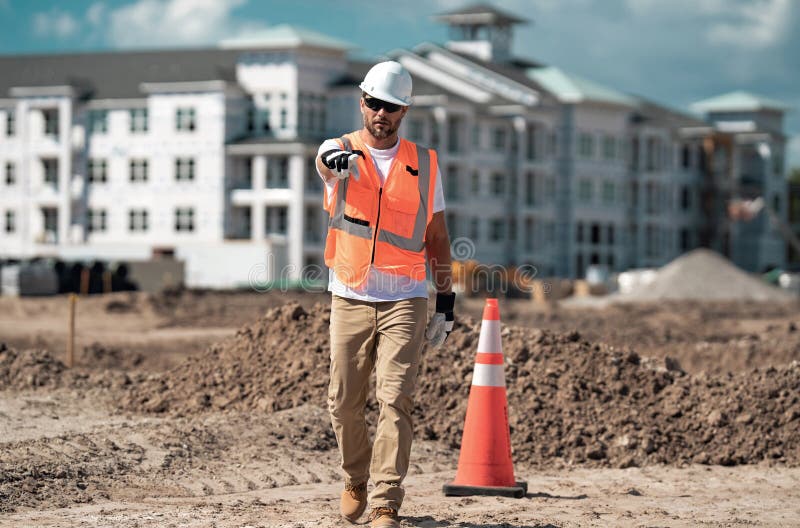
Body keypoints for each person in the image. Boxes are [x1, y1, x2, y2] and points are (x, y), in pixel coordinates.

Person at [315, 61, 455, 528]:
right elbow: (323, 159)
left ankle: (385, 501)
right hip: (351, 292)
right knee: (343, 401)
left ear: (404, 111)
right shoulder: (342, 152)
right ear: (362, 103)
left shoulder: (425, 163)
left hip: (405, 298)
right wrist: (329, 159)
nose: (381, 113)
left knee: (396, 398)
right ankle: (355, 477)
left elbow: (437, 236)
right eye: (374, 103)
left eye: (391, 106)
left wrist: (446, 303)